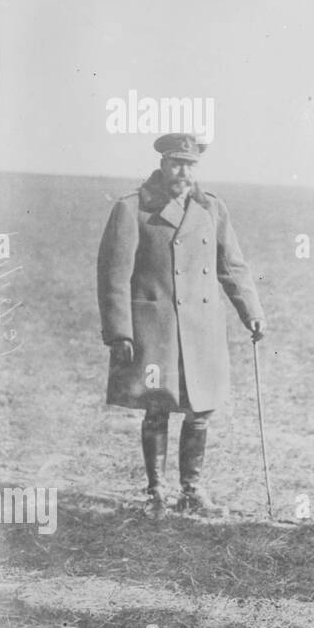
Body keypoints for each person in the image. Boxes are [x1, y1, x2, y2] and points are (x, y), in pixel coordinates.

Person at [98, 134, 266, 519]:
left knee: (200, 409)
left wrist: (251, 310)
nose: (183, 172)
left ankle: (191, 490)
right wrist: (120, 333)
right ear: (162, 164)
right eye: (176, 163)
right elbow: (113, 276)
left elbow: (231, 265)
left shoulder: (211, 209)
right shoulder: (133, 209)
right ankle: (155, 492)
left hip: (201, 329)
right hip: (155, 330)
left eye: (190, 164)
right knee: (157, 408)